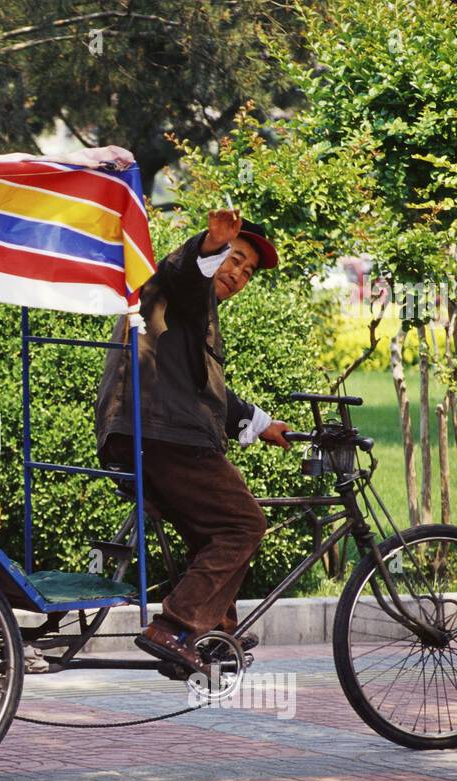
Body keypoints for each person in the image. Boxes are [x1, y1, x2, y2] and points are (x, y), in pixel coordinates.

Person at [95, 208, 293, 677]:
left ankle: (213, 630)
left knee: (211, 532)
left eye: (247, 271)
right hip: (164, 436)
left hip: (153, 431)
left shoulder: (193, 315)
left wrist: (261, 422)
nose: (240, 274)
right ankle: (177, 627)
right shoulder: (180, 284)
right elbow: (184, 273)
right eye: (236, 259)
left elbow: (204, 392)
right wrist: (208, 245)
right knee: (243, 524)